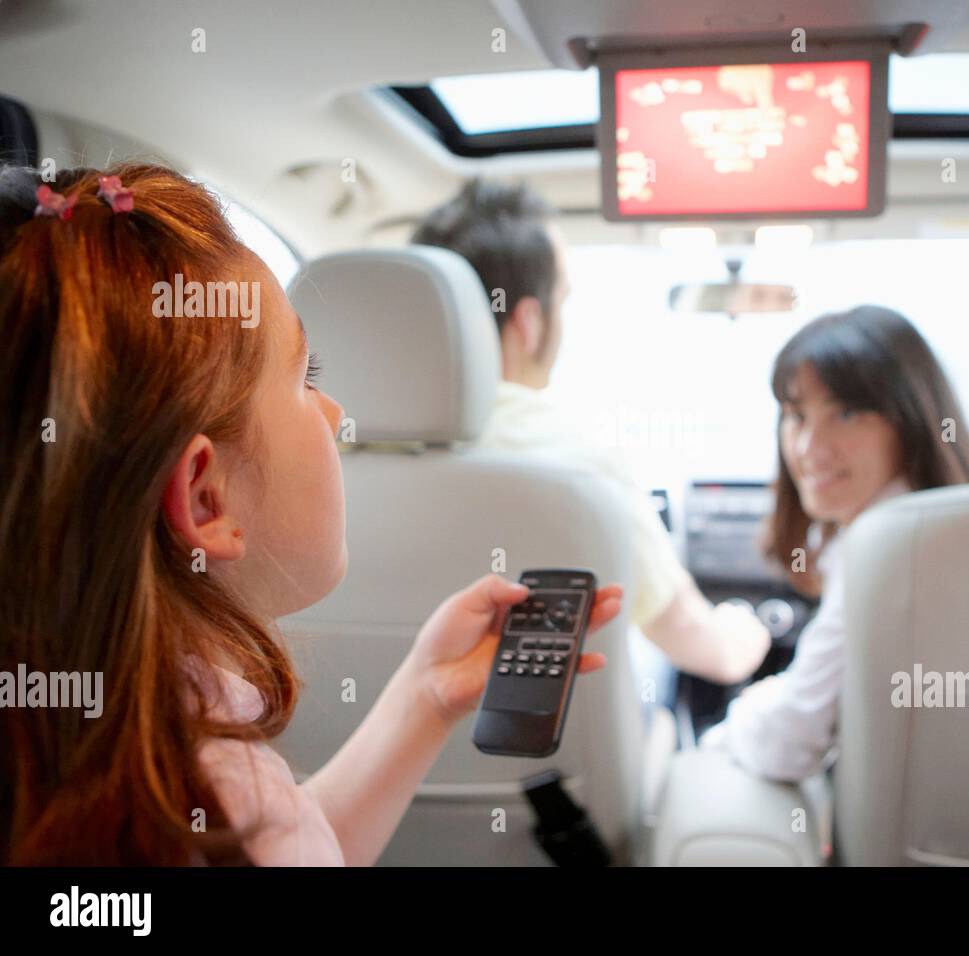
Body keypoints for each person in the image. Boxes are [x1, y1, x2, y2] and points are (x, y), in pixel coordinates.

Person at [0, 163, 622, 865]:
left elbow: (291, 840)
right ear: (207, 499)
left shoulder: (127, 753)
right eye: (307, 380)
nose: (335, 414)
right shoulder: (196, 786)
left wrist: (426, 694)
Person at [411, 179, 770, 685]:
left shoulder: (340, 450)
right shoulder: (575, 460)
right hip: (550, 764)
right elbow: (698, 643)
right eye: (563, 298)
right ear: (530, 321)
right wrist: (747, 633)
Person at [700, 306, 969, 782]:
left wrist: (738, 717)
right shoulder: (965, 529)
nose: (809, 447)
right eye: (795, 416)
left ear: (909, 419)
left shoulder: (884, 552)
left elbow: (787, 747)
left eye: (846, 413)